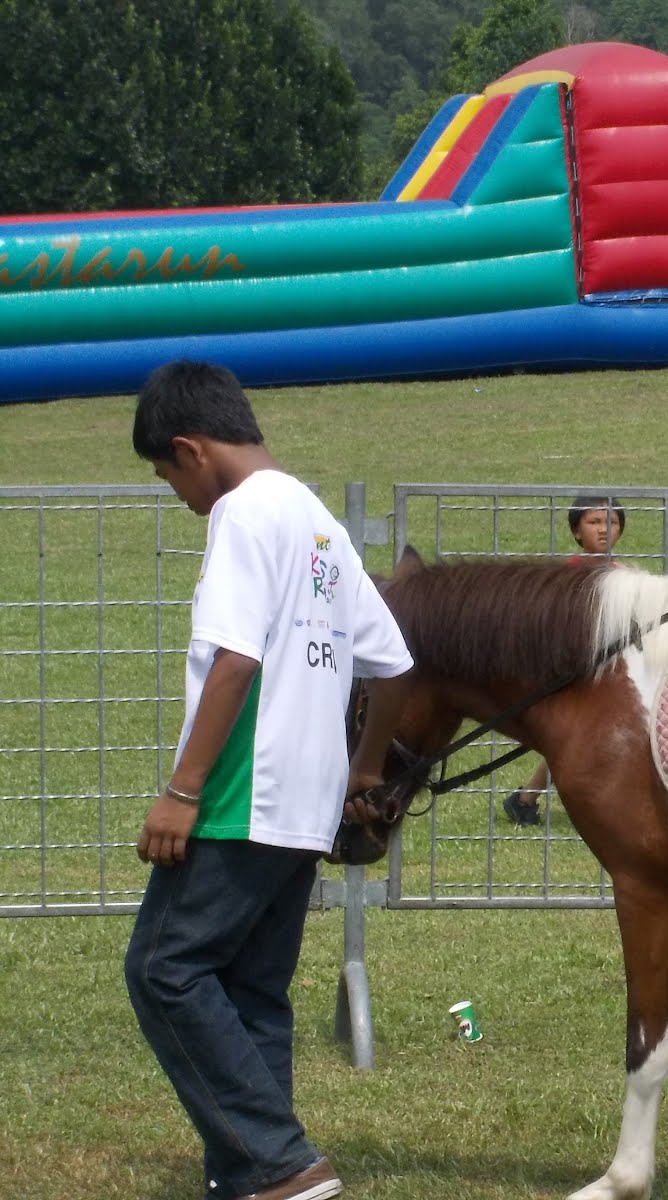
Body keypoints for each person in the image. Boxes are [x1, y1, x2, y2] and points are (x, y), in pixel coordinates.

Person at [122, 360, 414, 1200]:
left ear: (191, 449)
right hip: (308, 803)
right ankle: (248, 1178)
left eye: (167, 474)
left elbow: (235, 659)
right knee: (251, 989)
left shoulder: (244, 512)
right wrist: (362, 767)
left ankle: (279, 1163)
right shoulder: (318, 521)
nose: (178, 495)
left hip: (240, 795)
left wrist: (182, 791)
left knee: (164, 969)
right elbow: (393, 664)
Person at [501, 496, 627, 826]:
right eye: (594, 522)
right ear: (576, 531)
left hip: (610, 670)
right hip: (573, 671)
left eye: (612, 522)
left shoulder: (627, 576)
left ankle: (526, 798)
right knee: (575, 737)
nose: (604, 529)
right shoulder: (564, 576)